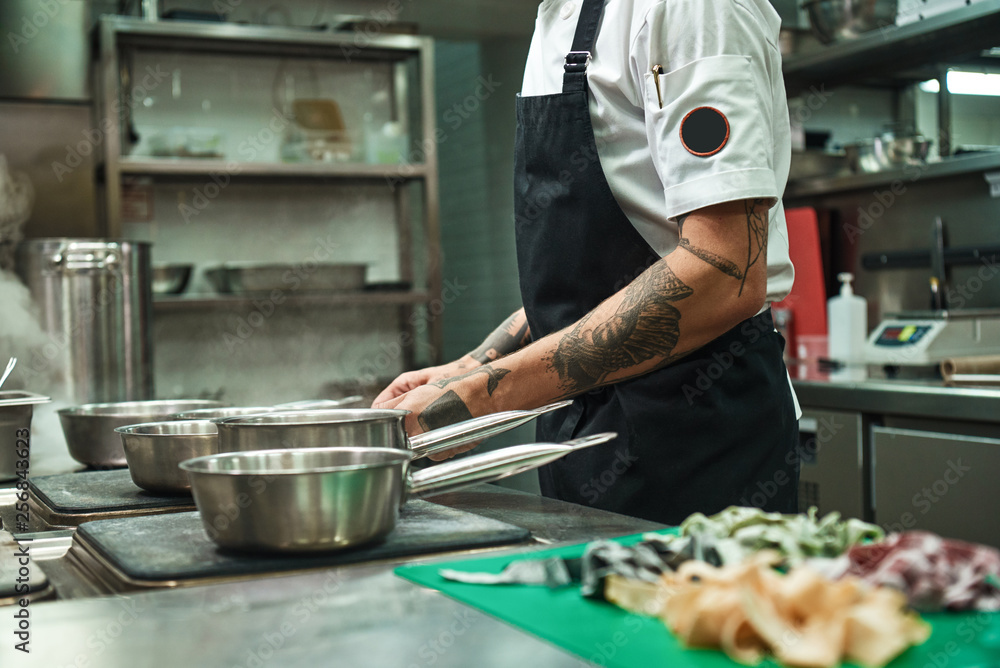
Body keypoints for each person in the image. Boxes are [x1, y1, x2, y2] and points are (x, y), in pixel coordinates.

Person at [373, 0, 800, 525]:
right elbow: (594, 284)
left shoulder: (689, 7)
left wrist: (478, 400)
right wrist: (467, 371)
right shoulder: (559, 16)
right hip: (581, 440)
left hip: (700, 436)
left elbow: (725, 270)